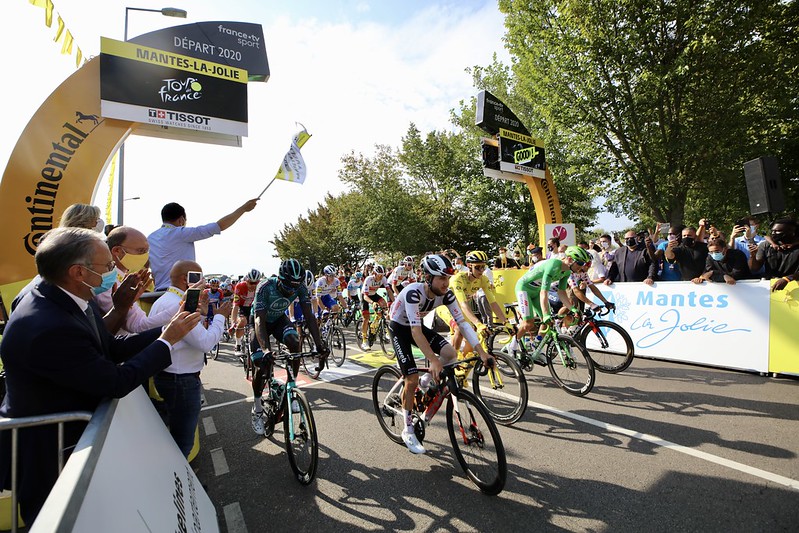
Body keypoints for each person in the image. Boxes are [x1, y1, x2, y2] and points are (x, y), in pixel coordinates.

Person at [0, 227, 201, 525]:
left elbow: (111, 347)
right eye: (107, 267)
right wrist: (166, 342)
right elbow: (114, 381)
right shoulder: (47, 324)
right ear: (78, 272)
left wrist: (167, 329)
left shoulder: (71, 299)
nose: (113, 272)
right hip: (48, 456)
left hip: (71, 445)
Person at [388, 254, 495, 454]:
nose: (446, 283)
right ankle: (408, 429)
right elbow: (415, 332)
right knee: (411, 379)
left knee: (450, 353)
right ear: (428, 278)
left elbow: (463, 324)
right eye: (441, 278)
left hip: (415, 325)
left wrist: (481, 352)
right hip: (399, 327)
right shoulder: (413, 293)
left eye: (448, 278)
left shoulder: (447, 294)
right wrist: (434, 360)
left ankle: (426, 382)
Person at [148, 261, 231, 457]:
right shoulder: (175, 304)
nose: (204, 282)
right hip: (181, 380)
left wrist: (201, 314)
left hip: (171, 376)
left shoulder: (164, 300)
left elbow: (189, 336)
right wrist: (220, 317)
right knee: (183, 442)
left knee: (174, 435)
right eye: (199, 277)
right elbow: (206, 343)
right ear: (187, 280)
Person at [250, 259, 328, 435]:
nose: (292, 290)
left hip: (278, 320)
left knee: (295, 342)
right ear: (279, 278)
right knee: (262, 367)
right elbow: (259, 321)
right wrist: (265, 350)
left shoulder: (299, 287)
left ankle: (292, 386)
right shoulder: (265, 287)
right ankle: (257, 409)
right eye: (288, 287)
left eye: (295, 287)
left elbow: (309, 316)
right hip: (259, 322)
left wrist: (319, 344)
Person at [148, 198, 259, 290]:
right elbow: (219, 226)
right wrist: (243, 209)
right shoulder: (181, 233)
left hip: (157, 293)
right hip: (180, 293)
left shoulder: (150, 238)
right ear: (181, 220)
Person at [506, 246, 588, 358]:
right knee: (529, 323)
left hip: (536, 290)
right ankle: (512, 345)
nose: (581, 267)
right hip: (524, 288)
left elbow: (561, 293)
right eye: (579, 263)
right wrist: (545, 314)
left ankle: (535, 347)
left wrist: (572, 309)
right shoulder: (553, 265)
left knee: (548, 323)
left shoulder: (567, 272)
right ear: (569, 259)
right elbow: (544, 292)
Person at [94, 226, 174, 334]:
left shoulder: (123, 278)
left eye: (147, 251)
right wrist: (182, 307)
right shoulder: (107, 281)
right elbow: (139, 326)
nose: (145, 256)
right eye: (140, 251)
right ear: (117, 250)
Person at [448, 251, 509, 355]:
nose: (481, 271)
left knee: (472, 338)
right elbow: (463, 304)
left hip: (461, 308)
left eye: (483, 267)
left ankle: (463, 361)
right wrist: (478, 323)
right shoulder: (457, 279)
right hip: (446, 307)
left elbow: (493, 303)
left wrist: (505, 322)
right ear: (469, 266)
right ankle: (451, 360)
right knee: (460, 328)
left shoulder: (482, 279)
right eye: (477, 267)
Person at [749, 218, 799, 292]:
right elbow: (754, 268)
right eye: (772, 231)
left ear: (791, 232)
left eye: (777, 231)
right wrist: (753, 256)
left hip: (795, 289)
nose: (773, 233)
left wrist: (787, 279)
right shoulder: (766, 245)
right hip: (771, 288)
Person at [360, 264, 393, 351]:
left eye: (382, 275)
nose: (381, 277)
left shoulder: (383, 279)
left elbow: (389, 290)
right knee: (366, 318)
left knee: (384, 305)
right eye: (379, 275)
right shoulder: (368, 279)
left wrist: (394, 301)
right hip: (365, 296)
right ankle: (364, 340)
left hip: (374, 294)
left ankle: (381, 328)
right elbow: (365, 297)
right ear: (374, 273)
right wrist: (372, 302)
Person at [232, 269, 261, 358]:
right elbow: (236, 305)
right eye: (250, 283)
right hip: (242, 307)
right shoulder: (239, 286)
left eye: (255, 283)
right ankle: (238, 346)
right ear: (246, 280)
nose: (253, 285)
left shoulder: (260, 287)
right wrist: (233, 322)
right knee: (242, 322)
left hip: (253, 307)